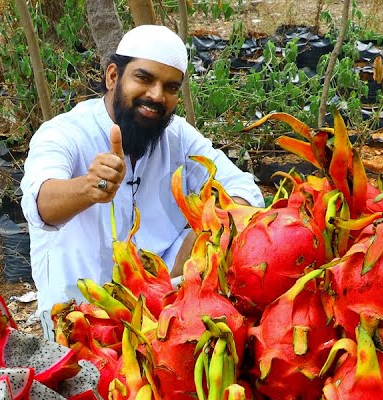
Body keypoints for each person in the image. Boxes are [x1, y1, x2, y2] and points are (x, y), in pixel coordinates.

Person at [20, 24, 263, 329]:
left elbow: (243, 189)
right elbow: (40, 205)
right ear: (113, 77)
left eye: (171, 87)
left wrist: (207, 230)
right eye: (144, 78)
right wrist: (88, 188)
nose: (156, 95)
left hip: (160, 317)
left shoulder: (177, 137)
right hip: (80, 320)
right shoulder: (64, 133)